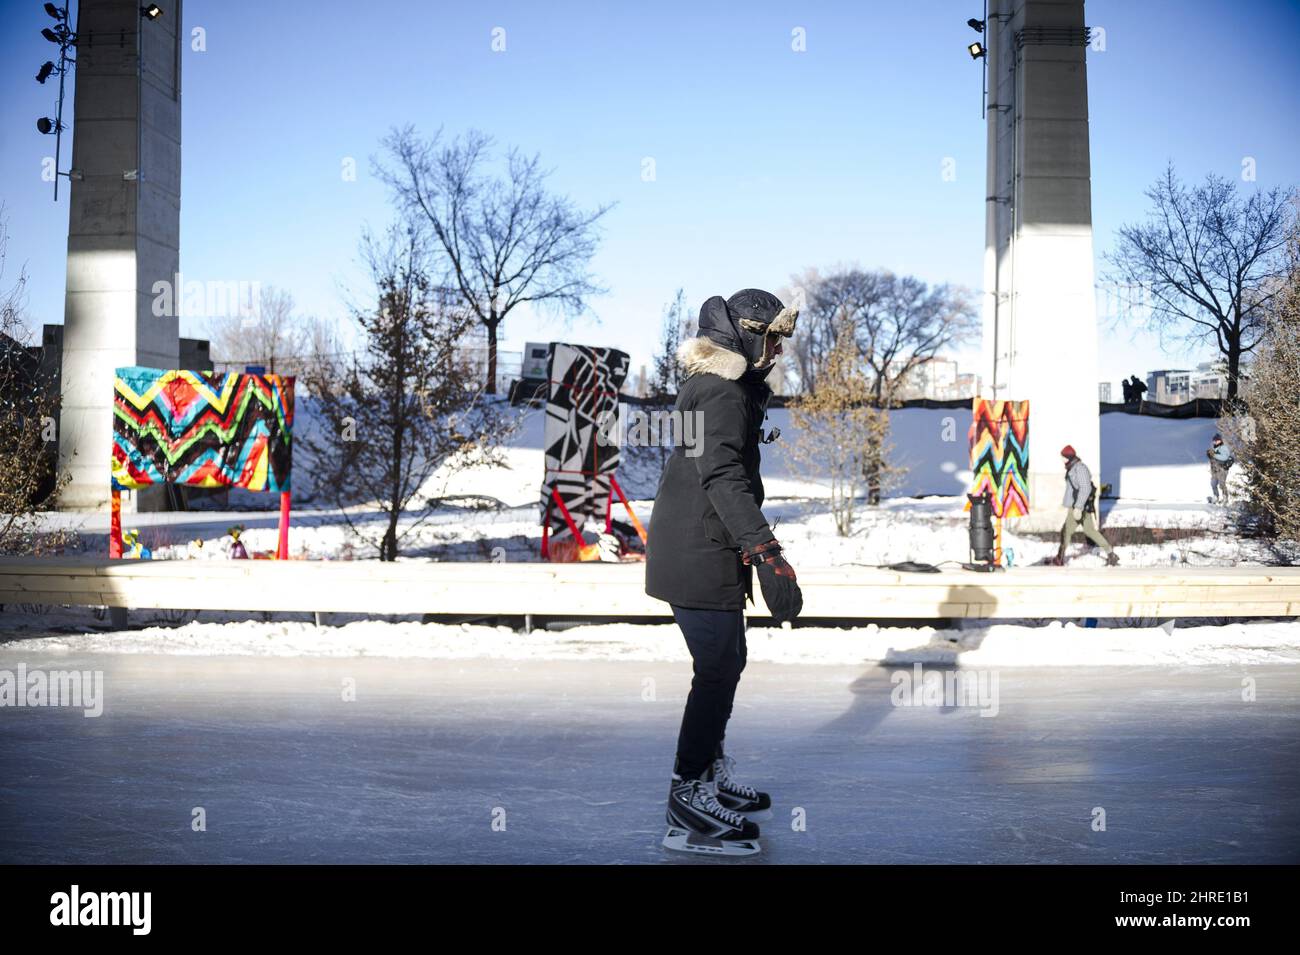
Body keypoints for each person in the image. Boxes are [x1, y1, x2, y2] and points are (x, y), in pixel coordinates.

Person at [645, 288, 803, 857]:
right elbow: (721, 478)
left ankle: (706, 775)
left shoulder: (713, 386)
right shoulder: (718, 391)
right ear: (747, 333)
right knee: (716, 668)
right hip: (698, 549)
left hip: (700, 542)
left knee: (725, 662)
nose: (781, 349)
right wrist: (767, 552)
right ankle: (687, 802)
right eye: (775, 337)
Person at [1051, 445, 1119, 566]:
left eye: (1064, 458)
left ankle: (1059, 558)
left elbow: (1085, 488)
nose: (1062, 460)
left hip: (1078, 506)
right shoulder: (1072, 468)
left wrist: (1078, 507)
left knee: (1066, 531)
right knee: (1090, 531)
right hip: (1079, 506)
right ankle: (1110, 554)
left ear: (1069, 457)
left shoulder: (1080, 469)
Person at [1207, 433, 1234, 505]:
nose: (1215, 442)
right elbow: (1214, 460)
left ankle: (1225, 498)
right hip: (1215, 470)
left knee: (1222, 484)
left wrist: (1214, 455)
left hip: (1222, 470)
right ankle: (1216, 497)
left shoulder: (1223, 448)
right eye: (1214, 440)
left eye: (1217, 440)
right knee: (1213, 484)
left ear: (1220, 441)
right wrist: (1210, 456)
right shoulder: (1215, 448)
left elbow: (1224, 458)